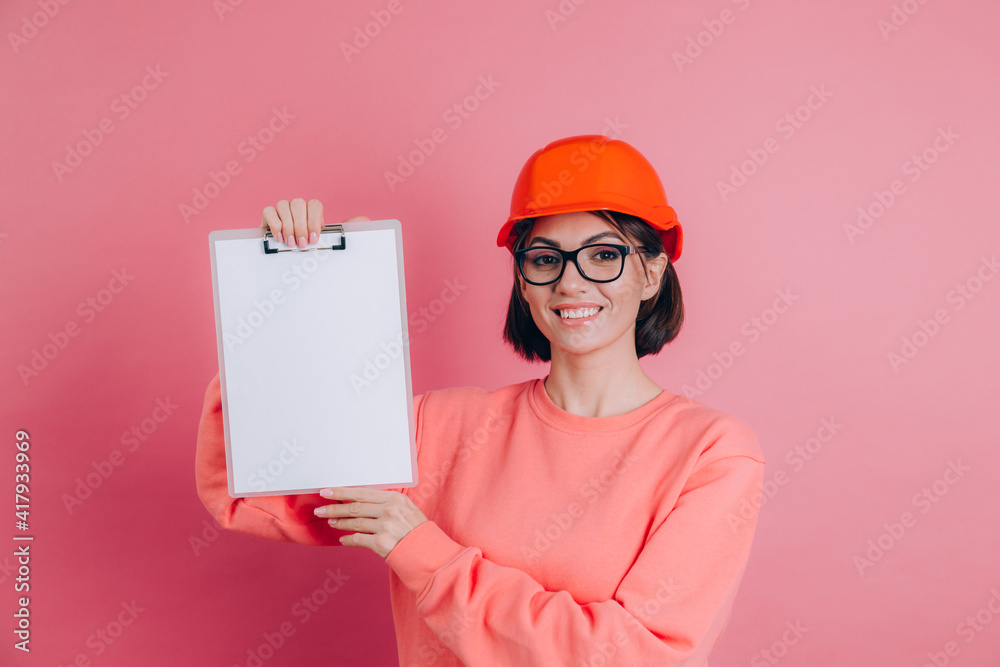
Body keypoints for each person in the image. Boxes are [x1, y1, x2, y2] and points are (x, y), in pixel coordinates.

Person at [195, 134, 766, 666]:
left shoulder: (709, 453)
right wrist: (304, 285)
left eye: (603, 255)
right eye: (545, 258)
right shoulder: (438, 427)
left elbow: (637, 656)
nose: (570, 282)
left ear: (653, 273)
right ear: (523, 279)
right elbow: (251, 487)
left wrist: (425, 555)